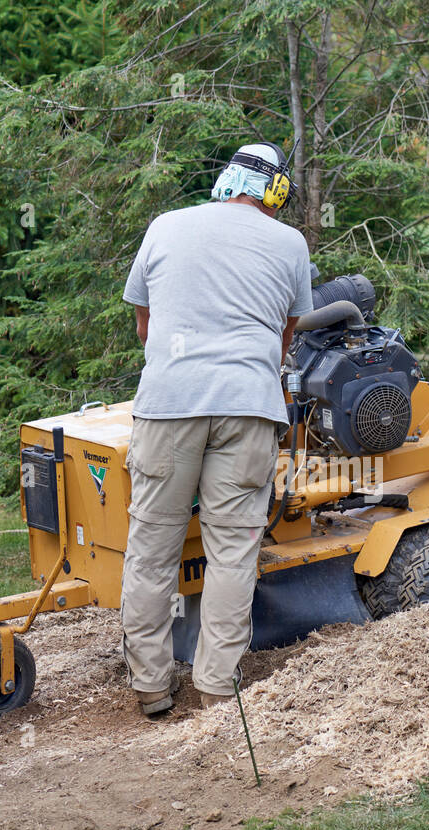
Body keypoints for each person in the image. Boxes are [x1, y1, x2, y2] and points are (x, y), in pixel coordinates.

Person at [120, 142, 313, 715]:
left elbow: (145, 326)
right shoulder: (290, 243)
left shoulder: (165, 226)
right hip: (249, 407)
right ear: (275, 192)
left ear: (226, 180)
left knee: (151, 551)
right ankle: (215, 689)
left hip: (168, 406)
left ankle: (152, 688)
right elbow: (285, 337)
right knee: (233, 553)